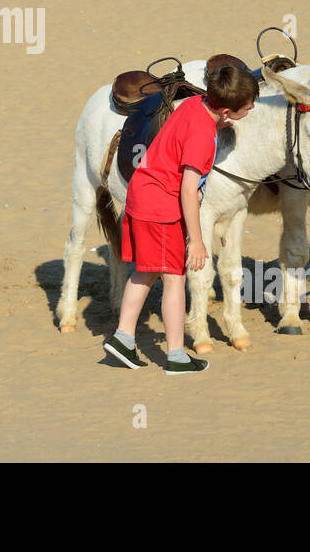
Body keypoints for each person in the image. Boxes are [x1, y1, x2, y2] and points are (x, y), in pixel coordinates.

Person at [103, 65, 259, 374]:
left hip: (140, 194)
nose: (252, 108)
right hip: (160, 209)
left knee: (146, 272)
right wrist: (198, 241)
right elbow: (189, 190)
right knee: (175, 279)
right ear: (227, 112)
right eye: (248, 106)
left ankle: (122, 339)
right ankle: (175, 356)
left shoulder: (192, 104)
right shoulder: (203, 135)